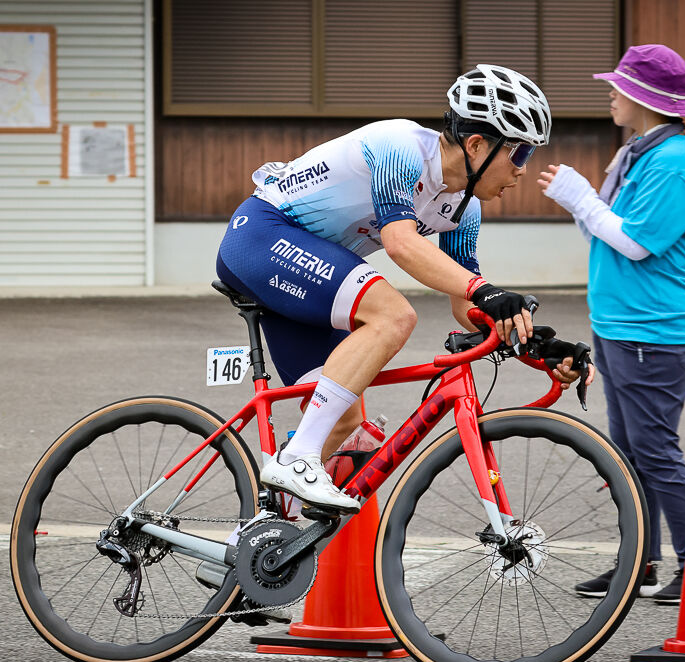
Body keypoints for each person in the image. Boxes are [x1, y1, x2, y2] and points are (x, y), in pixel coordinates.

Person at [216, 64, 587, 515]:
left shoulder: (461, 208)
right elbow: (401, 243)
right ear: (476, 145)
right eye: (520, 153)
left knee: (343, 424)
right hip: (261, 236)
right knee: (394, 315)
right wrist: (484, 289)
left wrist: (537, 346)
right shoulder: (400, 146)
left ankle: (252, 548)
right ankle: (296, 459)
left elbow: (467, 305)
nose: (523, 170)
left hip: (307, 273)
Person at [537, 44, 685, 605]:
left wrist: (582, 199)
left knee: (653, 451)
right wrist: (583, 203)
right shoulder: (641, 153)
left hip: (651, 331)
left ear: (644, 98)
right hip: (622, 326)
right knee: (630, 452)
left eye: (617, 86)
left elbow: (634, 244)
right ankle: (640, 562)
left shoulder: (673, 164)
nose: (609, 93)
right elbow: (606, 232)